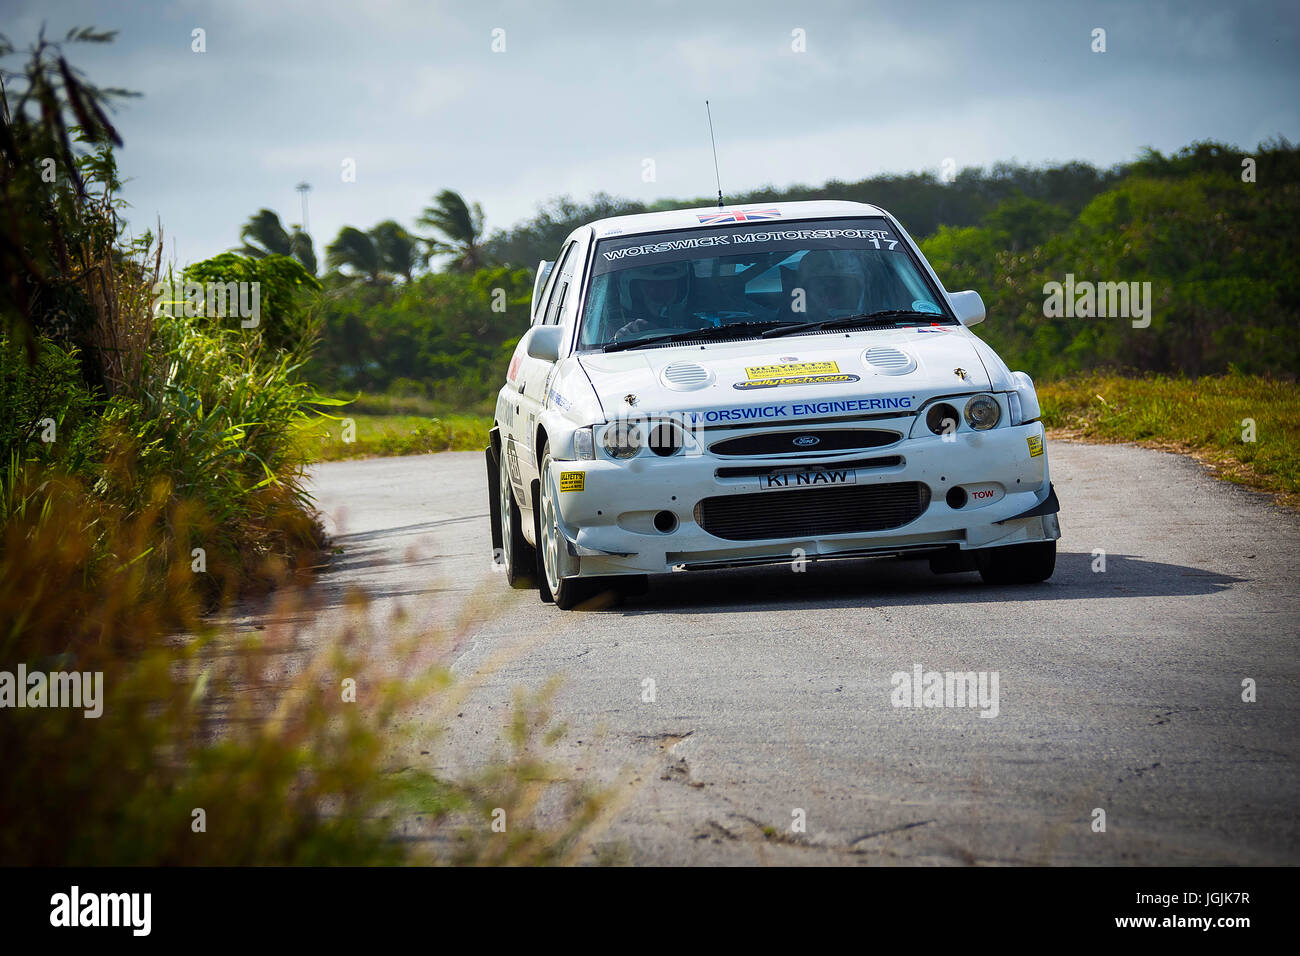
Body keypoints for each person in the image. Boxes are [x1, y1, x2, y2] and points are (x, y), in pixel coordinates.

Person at [610, 260, 705, 341]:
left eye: (669, 283)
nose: (662, 290)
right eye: (652, 283)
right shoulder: (611, 325)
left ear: (680, 287)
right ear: (637, 289)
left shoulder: (703, 324)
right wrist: (621, 339)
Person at [791, 249, 869, 319]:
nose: (828, 297)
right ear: (805, 291)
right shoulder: (787, 324)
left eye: (839, 288)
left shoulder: (872, 315)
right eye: (823, 288)